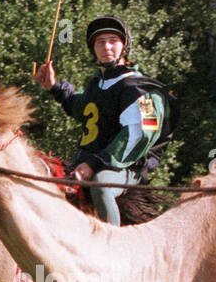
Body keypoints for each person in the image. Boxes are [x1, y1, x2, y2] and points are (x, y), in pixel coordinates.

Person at [33, 15, 171, 226]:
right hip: (86, 162)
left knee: (100, 184)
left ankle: (112, 247)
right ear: (94, 49)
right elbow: (83, 109)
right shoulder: (97, 83)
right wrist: (54, 86)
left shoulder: (141, 90)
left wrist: (94, 163)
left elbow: (141, 133)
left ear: (124, 47)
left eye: (113, 41)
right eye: (100, 42)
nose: (107, 46)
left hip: (124, 168)